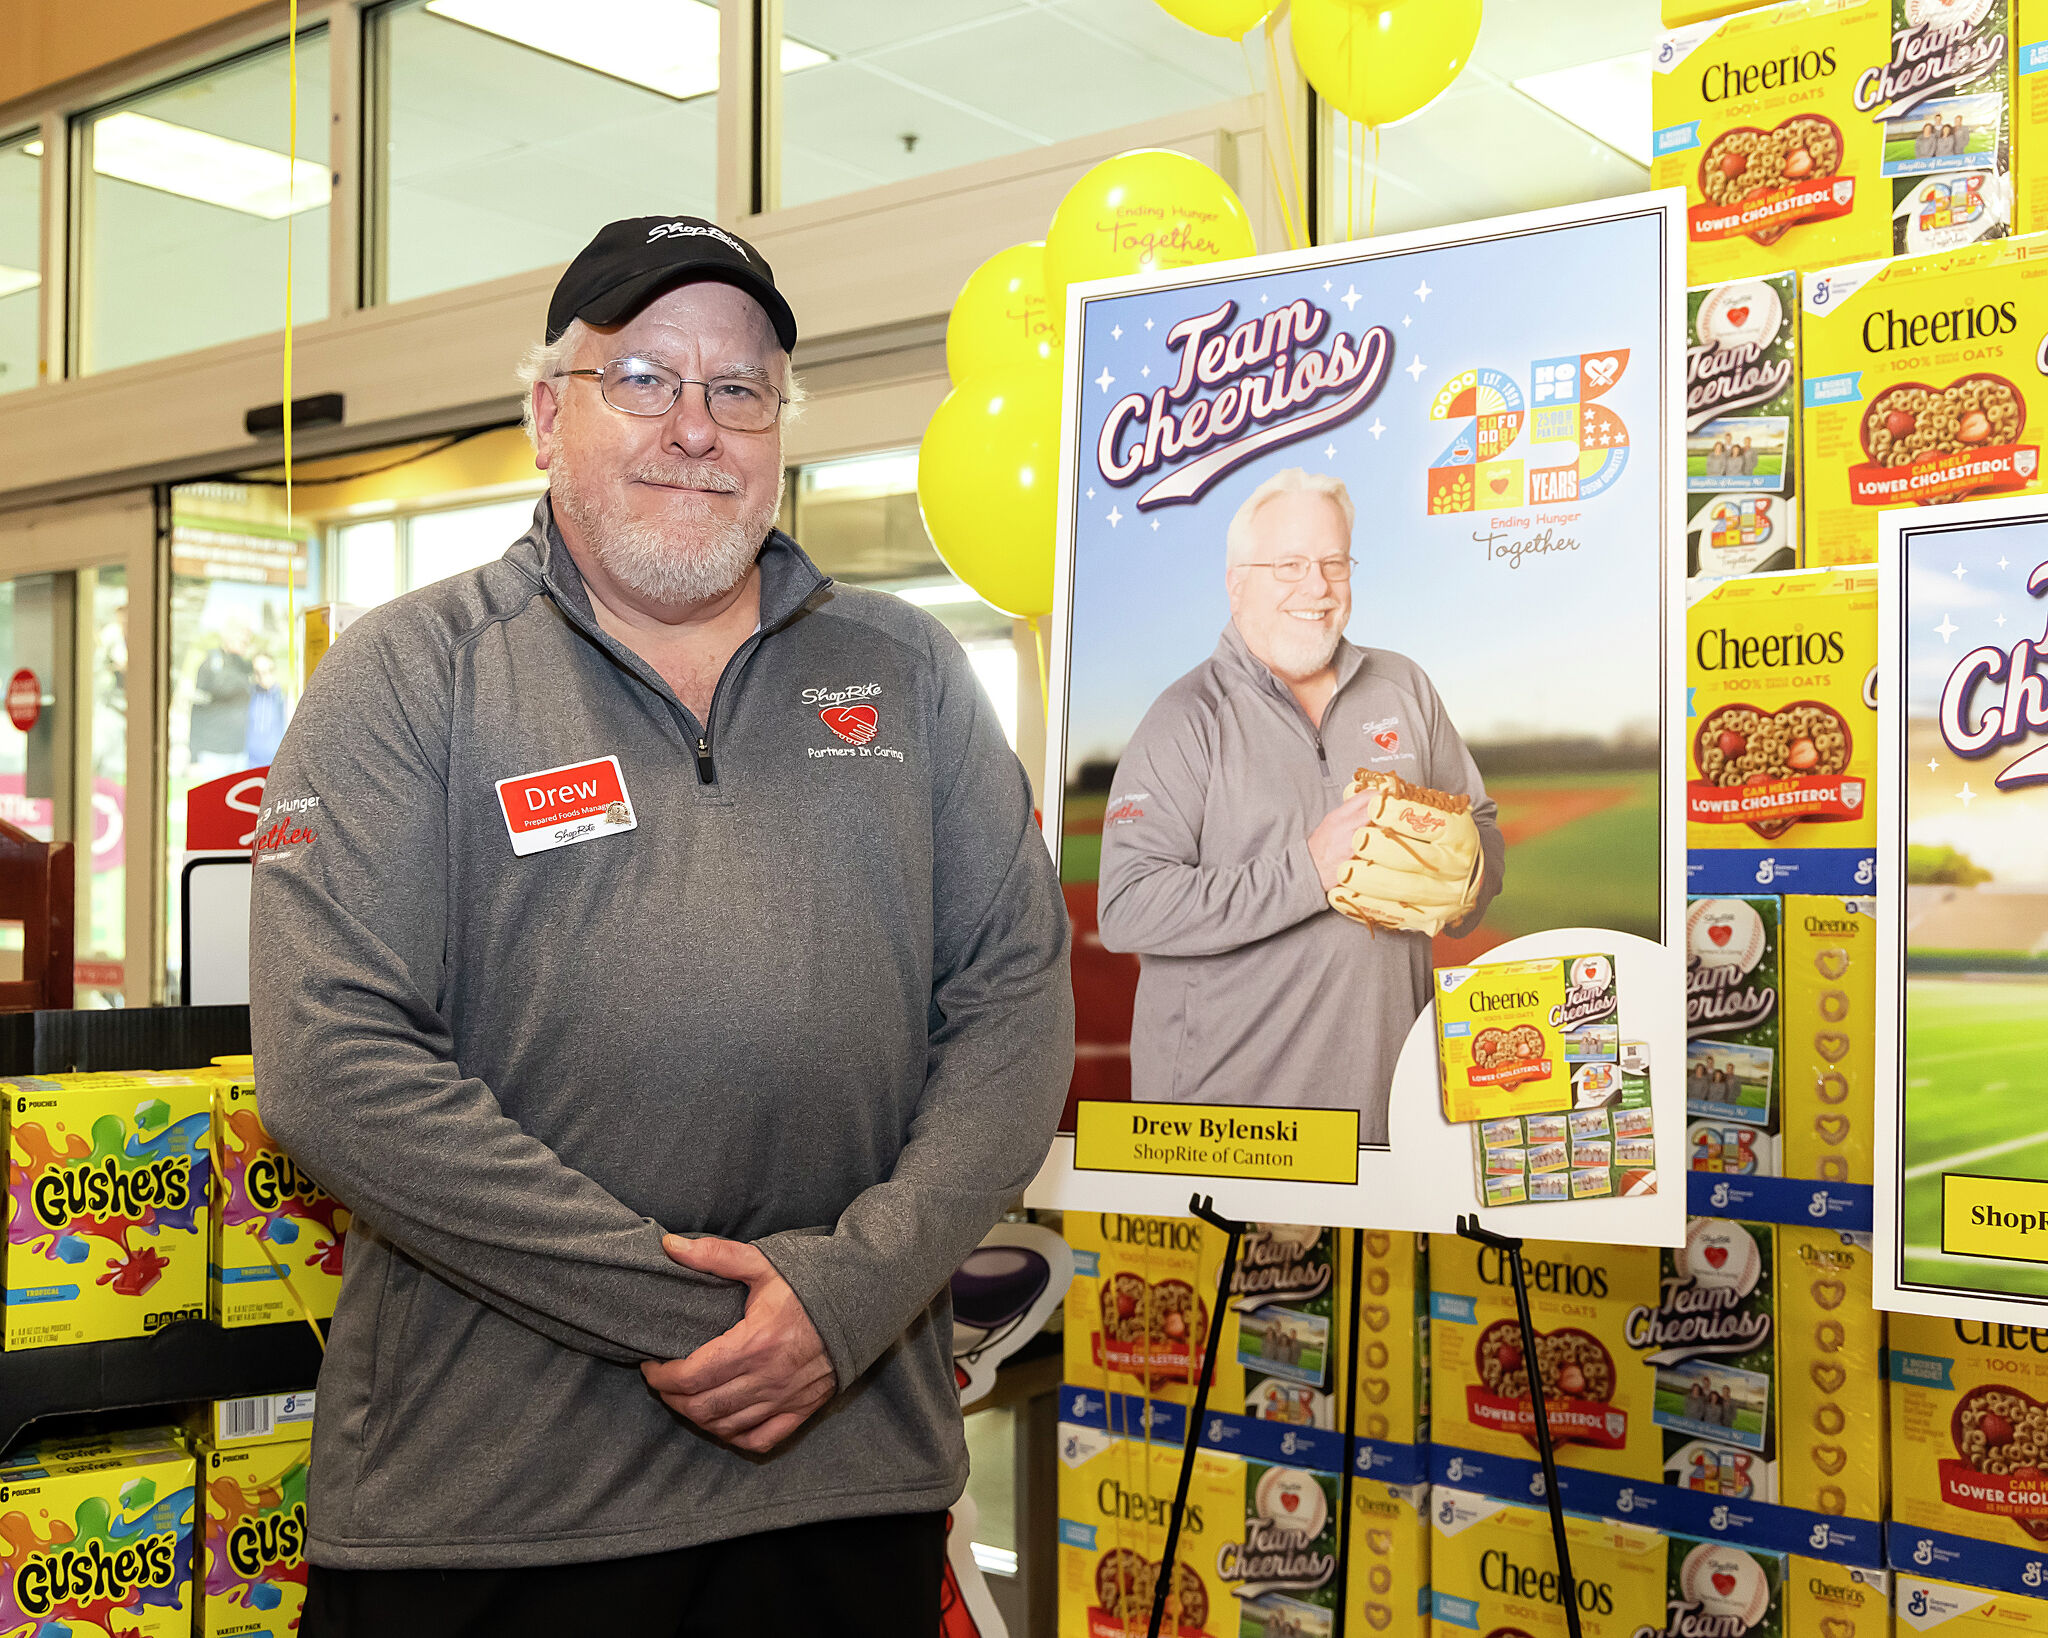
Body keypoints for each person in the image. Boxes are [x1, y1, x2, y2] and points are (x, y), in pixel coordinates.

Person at [247, 215, 1074, 1638]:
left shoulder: (908, 671)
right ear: (544, 411)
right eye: (642, 377)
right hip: (489, 1511)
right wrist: (712, 1320)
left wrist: (845, 1296)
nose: (695, 426)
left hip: (842, 1493)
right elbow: (332, 1065)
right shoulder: (409, 675)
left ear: (776, 432)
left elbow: (1014, 1009)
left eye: (738, 390)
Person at [1096, 468, 1503, 1143]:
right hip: (1235, 1136)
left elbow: (1481, 825)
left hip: (1389, 1115)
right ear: (1237, 581)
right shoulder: (1186, 718)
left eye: (1333, 563)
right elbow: (1128, 905)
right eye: (1289, 565)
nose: (1316, 587)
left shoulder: (1403, 686)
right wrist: (1309, 872)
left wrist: (1466, 881)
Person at [187, 617, 254, 781]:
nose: (245, 641)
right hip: (213, 755)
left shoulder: (246, 667)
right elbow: (197, 711)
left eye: (247, 638)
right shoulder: (211, 664)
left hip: (240, 755)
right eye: (241, 635)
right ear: (228, 635)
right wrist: (194, 758)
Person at [242, 651, 287, 766]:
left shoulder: (282, 697)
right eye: (258, 672)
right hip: (249, 761)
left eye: (268, 671)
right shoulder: (248, 694)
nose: (263, 676)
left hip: (274, 761)